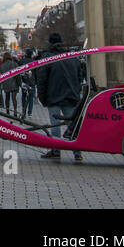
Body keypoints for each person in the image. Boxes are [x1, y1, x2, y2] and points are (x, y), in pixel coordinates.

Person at [35, 32, 85, 162]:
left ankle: (56, 150)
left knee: (54, 125)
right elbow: (80, 76)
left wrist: (42, 97)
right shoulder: (72, 57)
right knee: (72, 124)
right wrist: (76, 91)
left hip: (54, 95)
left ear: (50, 43)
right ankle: (77, 151)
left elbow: (42, 79)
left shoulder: (47, 58)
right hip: (71, 96)